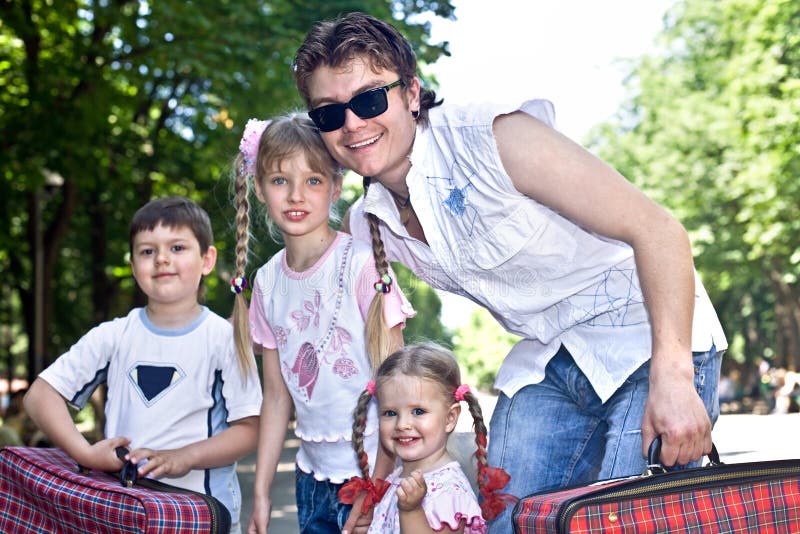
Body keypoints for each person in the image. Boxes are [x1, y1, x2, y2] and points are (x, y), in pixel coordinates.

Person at [293, 12, 728, 532]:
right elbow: (390, 370)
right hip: (546, 361)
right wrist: (380, 486)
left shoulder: (491, 137)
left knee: (620, 520)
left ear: (410, 92)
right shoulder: (369, 225)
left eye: (368, 100)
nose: (353, 124)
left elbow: (658, 230)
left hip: (646, 336)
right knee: (506, 522)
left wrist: (675, 376)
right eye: (329, 114)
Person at [24, 197, 262, 533]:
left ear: (207, 259)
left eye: (178, 247)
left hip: (201, 517)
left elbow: (249, 430)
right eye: (147, 251)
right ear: (134, 265)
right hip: (123, 515)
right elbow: (39, 396)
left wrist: (184, 457)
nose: (162, 258)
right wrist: (86, 454)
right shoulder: (114, 335)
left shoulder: (225, 339)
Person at [230, 113, 416, 534]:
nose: (296, 195)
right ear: (259, 188)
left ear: (335, 189)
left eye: (313, 180)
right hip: (310, 480)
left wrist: (378, 484)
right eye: (280, 181)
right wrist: (260, 492)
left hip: (378, 476)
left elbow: (400, 392)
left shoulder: (363, 268)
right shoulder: (266, 283)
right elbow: (276, 399)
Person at [347, 342, 515, 533]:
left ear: (450, 418)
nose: (402, 424)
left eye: (418, 411)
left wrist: (411, 511)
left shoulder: (449, 490)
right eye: (390, 413)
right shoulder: (398, 477)